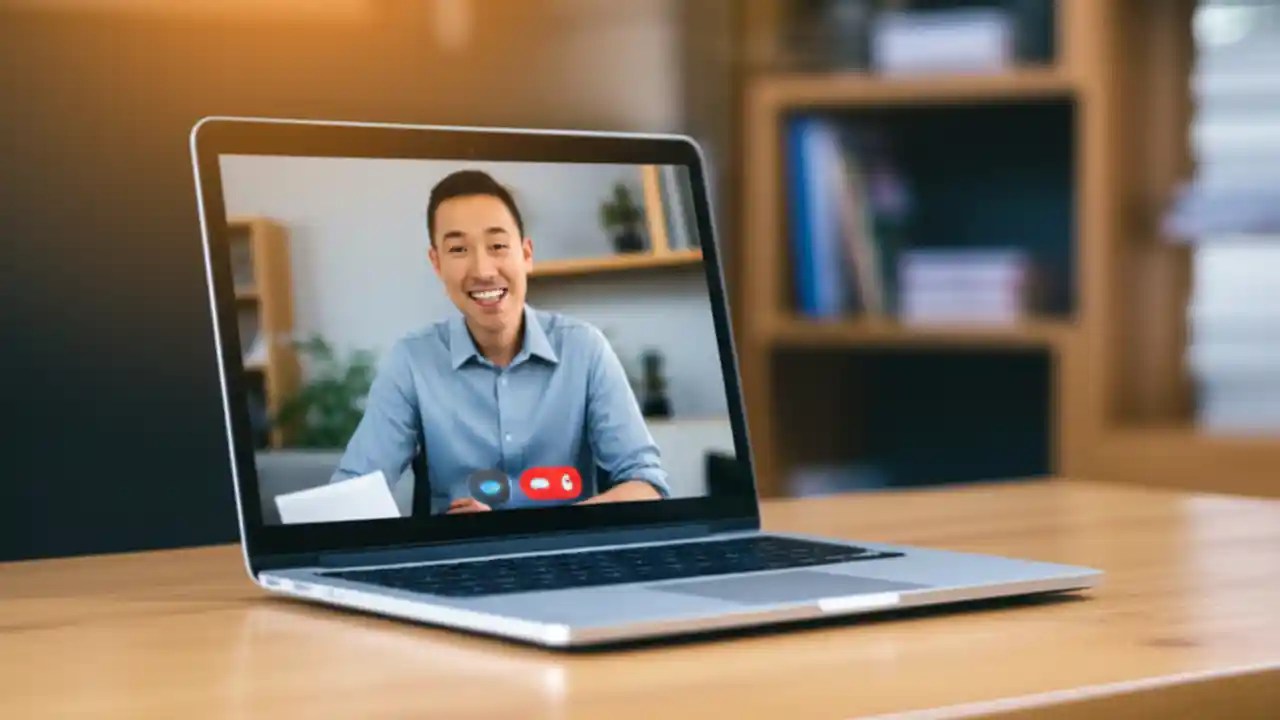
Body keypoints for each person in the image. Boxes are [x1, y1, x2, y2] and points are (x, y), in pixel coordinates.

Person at [330, 170, 668, 515]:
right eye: (458, 249)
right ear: (437, 263)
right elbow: (352, 492)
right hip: (458, 549)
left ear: (526, 254)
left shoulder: (584, 349)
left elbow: (646, 485)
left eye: (498, 246)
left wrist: (542, 529)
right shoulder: (413, 361)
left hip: (567, 544)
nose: (483, 270)